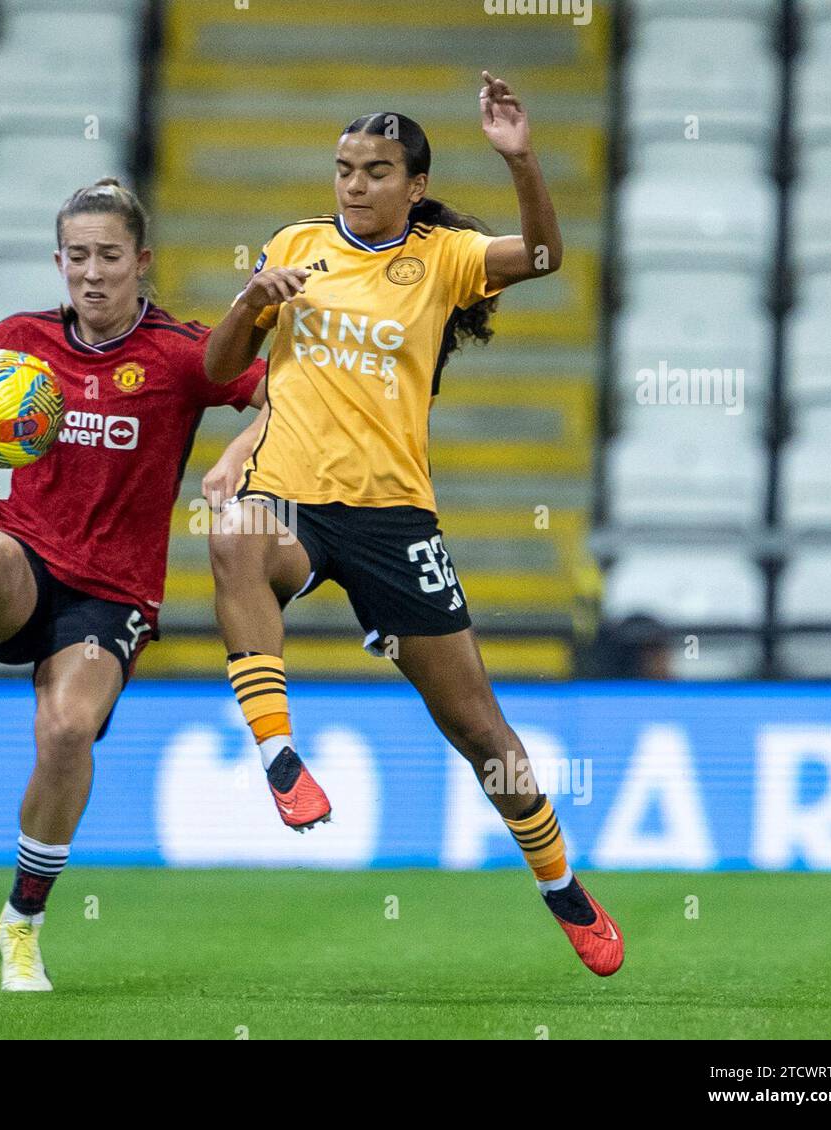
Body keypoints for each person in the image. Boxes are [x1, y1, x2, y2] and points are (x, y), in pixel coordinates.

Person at [202, 75, 623, 975]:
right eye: (344, 168)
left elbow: (546, 258)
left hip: (394, 519)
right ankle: (278, 755)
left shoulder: (445, 257)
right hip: (295, 500)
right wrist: (249, 303)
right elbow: (223, 367)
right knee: (233, 531)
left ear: (414, 185)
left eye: (375, 171)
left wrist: (522, 159)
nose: (353, 185)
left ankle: (560, 885)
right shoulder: (293, 246)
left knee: (480, 731)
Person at [0, 179, 268, 991]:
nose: (91, 274)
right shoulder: (20, 341)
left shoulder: (180, 354)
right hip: (29, 557)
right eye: (75, 258)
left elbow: (283, 394)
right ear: (58, 261)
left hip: (115, 594)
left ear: (142, 261)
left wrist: (238, 452)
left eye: (107, 257)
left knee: (66, 733)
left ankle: (21, 920)